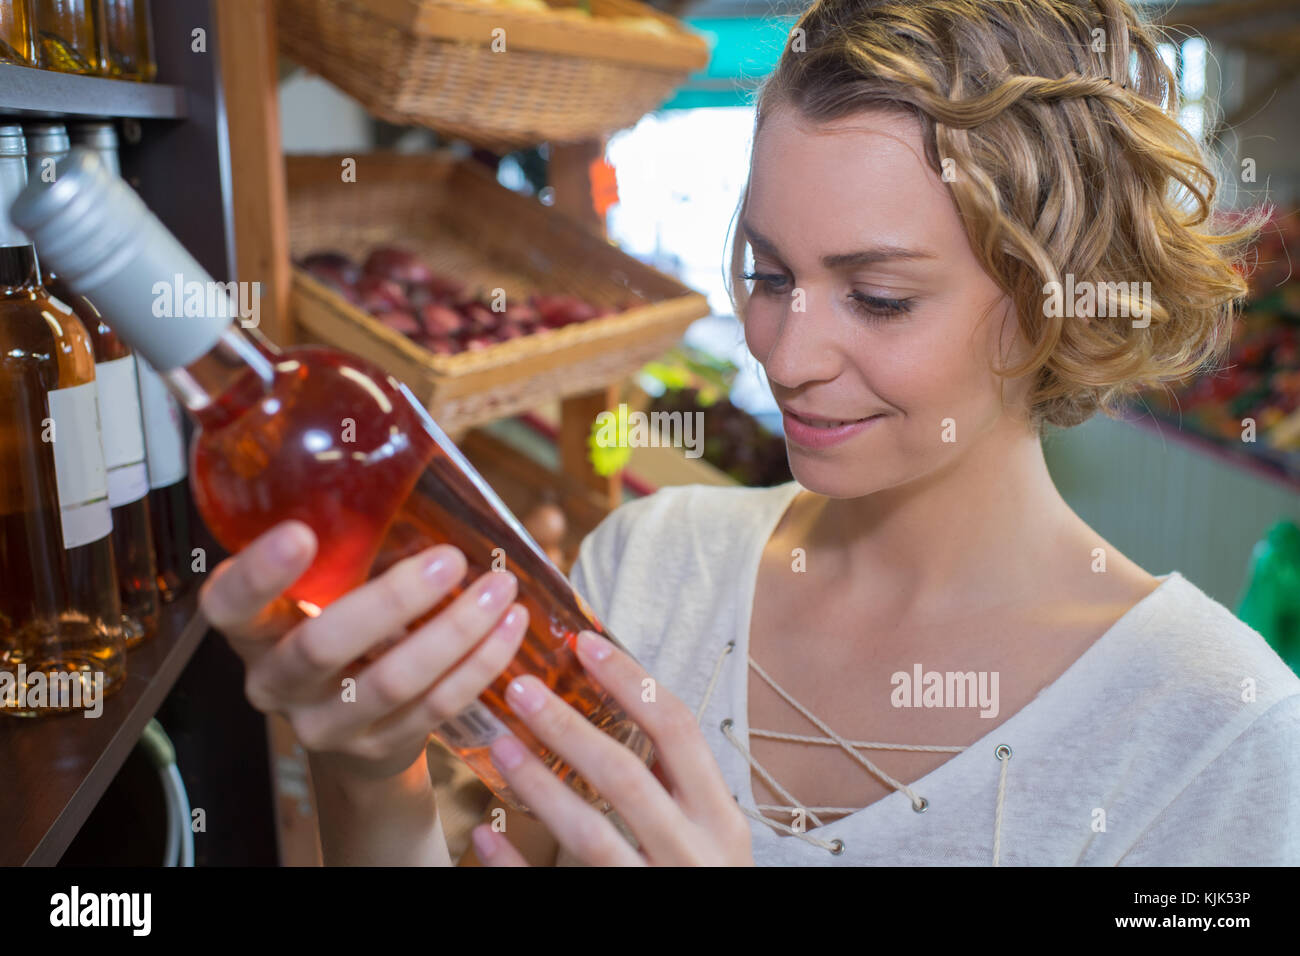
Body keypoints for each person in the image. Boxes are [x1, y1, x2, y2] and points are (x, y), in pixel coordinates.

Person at [200, 0, 1300, 866]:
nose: (784, 352)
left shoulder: (1214, 731)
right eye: (767, 274)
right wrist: (368, 773)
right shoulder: (649, 567)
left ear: (1058, 294)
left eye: (876, 296)